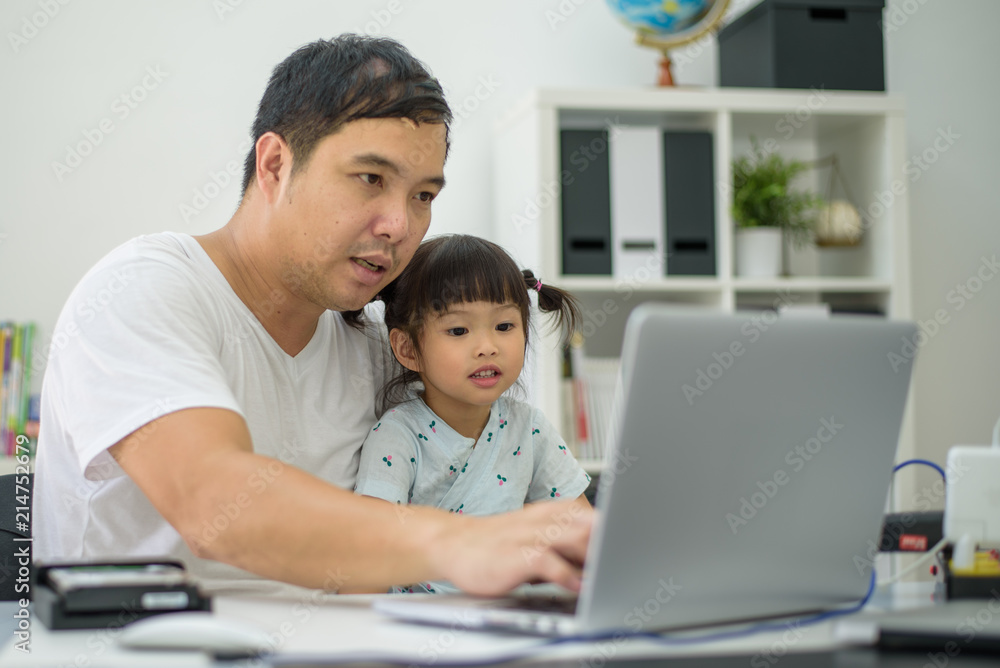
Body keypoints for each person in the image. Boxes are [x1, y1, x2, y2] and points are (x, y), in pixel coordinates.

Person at [31, 34, 592, 596]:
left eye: (423, 195)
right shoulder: (143, 289)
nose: (400, 225)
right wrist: (460, 542)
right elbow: (214, 503)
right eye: (371, 179)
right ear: (275, 165)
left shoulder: (377, 345)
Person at [354, 235, 592, 593]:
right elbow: (366, 562)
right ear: (407, 348)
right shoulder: (398, 436)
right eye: (459, 330)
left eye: (504, 326)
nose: (487, 347)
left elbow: (586, 537)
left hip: (510, 622)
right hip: (419, 632)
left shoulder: (529, 428)